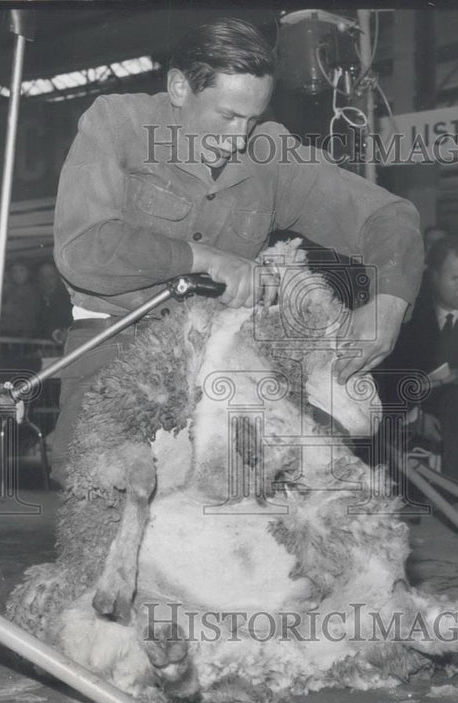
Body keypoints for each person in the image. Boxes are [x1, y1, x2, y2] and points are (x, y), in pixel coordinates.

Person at [44, 17, 424, 485]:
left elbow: (388, 216)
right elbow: (83, 249)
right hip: (114, 341)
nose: (240, 137)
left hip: (222, 359)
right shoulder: (116, 124)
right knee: (99, 485)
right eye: (226, 116)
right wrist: (203, 258)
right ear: (180, 87)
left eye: (253, 118)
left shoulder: (270, 153)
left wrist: (389, 303)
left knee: (266, 494)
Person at [380, 237, 458, 485]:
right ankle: (390, 490)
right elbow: (391, 368)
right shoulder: (410, 308)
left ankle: (453, 493)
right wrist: (413, 413)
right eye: (457, 279)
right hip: (405, 396)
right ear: (434, 276)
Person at [35, 260, 73, 342]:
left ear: (58, 277)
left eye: (50, 276)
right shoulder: (34, 297)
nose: (46, 280)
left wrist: (59, 333)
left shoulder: (68, 299)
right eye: (42, 277)